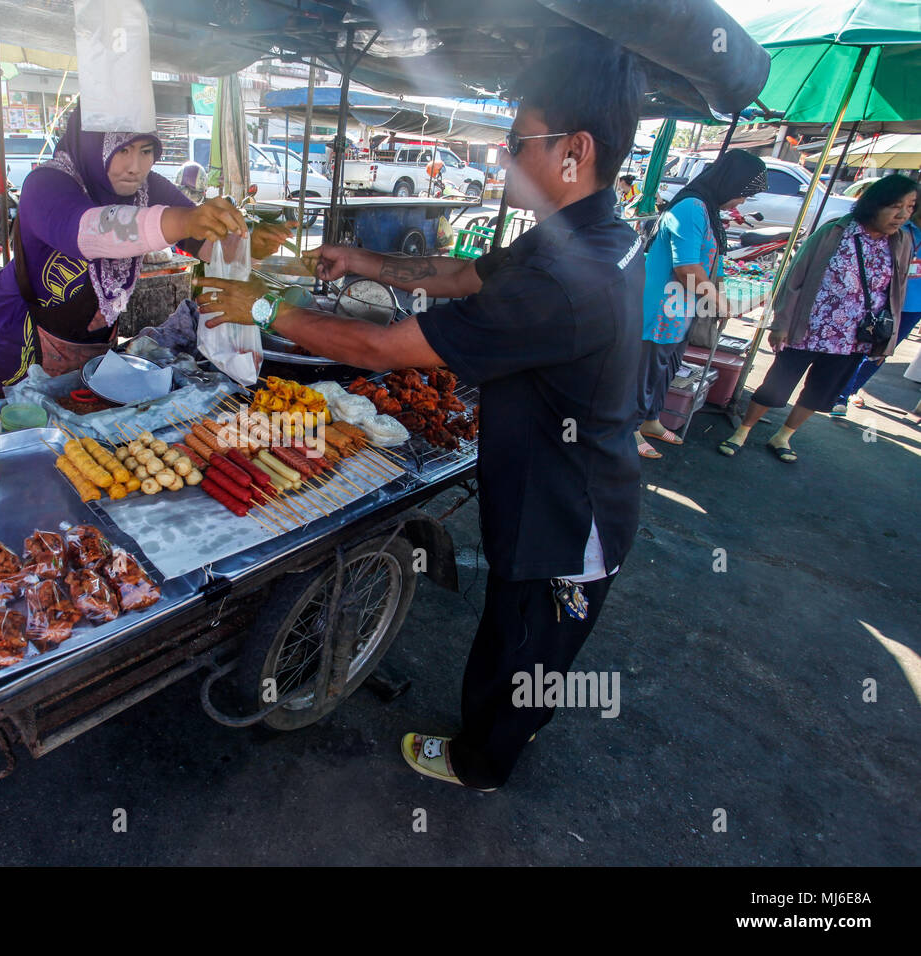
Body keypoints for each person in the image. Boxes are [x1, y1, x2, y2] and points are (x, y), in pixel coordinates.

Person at [199, 38, 645, 792]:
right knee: (512, 626)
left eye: (516, 145)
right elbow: (465, 273)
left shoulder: (572, 278)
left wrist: (266, 305)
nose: (502, 162)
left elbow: (379, 349)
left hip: (570, 512)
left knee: (527, 650)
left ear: (575, 150)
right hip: (545, 476)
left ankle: (483, 764)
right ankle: (494, 739)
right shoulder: (582, 236)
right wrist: (361, 259)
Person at [0, 105, 291, 395]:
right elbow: (88, 232)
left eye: (146, 151)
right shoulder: (46, 184)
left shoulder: (148, 187)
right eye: (122, 150)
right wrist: (184, 220)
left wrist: (244, 245)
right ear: (92, 144)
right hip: (21, 336)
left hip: (94, 342)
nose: (134, 167)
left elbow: (202, 240)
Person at [719, 174, 917, 462]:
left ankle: (784, 435)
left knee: (821, 392)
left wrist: (887, 337)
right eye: (895, 206)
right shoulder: (836, 232)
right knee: (776, 385)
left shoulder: (901, 242)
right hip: (809, 328)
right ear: (875, 204)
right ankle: (743, 430)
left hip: (856, 338)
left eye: (910, 207)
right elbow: (795, 278)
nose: (902, 215)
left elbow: (896, 291)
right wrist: (781, 323)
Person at [635, 150, 766, 459]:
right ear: (728, 183)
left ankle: (652, 420)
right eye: (743, 195)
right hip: (660, 311)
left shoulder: (707, 210)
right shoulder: (691, 208)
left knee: (666, 370)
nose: (741, 202)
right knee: (643, 375)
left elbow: (710, 263)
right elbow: (687, 269)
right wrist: (718, 301)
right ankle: (628, 430)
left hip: (682, 312)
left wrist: (719, 296)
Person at [832, 201, 921, 414]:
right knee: (859, 344)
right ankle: (839, 394)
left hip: (913, 305)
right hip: (882, 297)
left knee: (882, 352)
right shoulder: (900, 227)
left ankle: (847, 391)